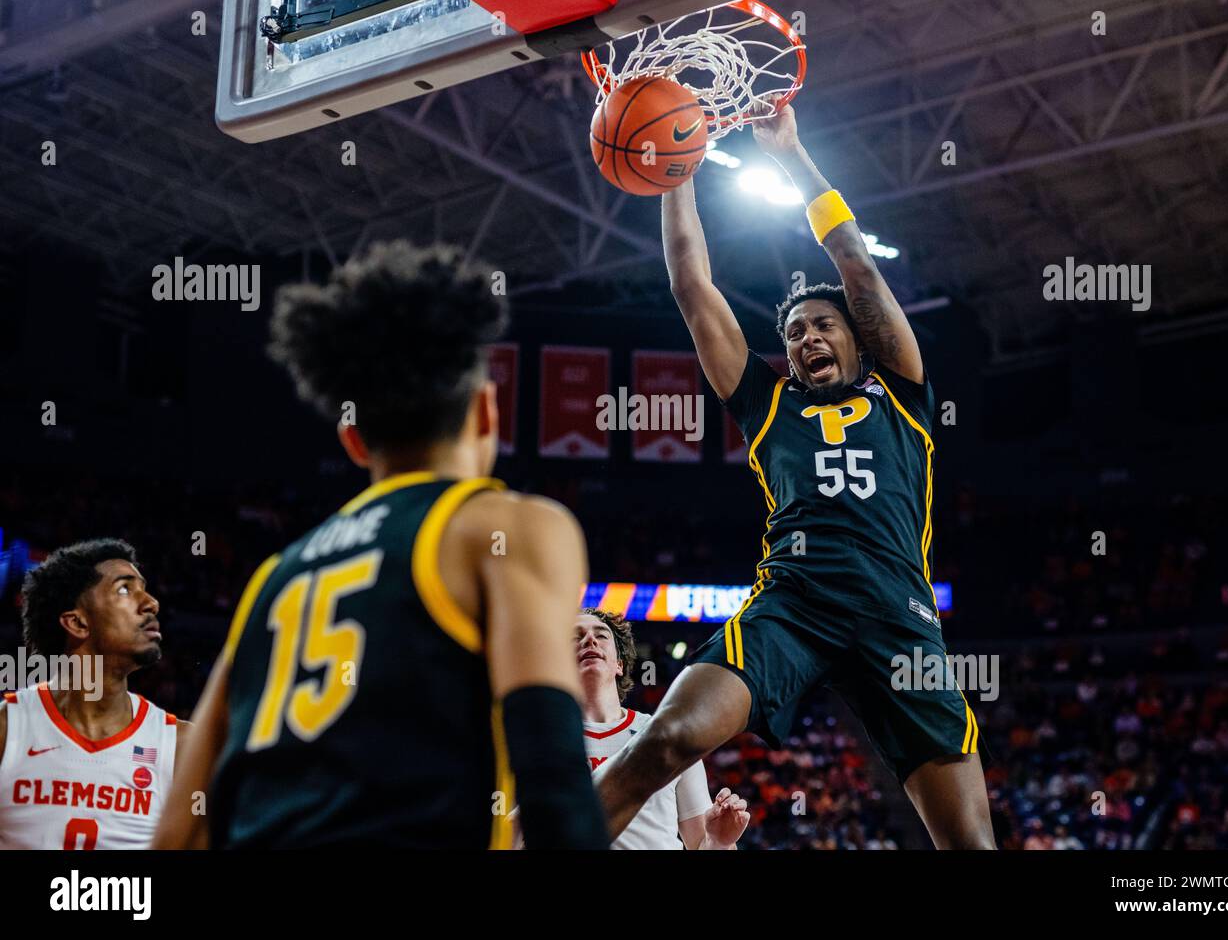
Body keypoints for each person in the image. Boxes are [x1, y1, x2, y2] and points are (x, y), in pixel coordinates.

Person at [594, 104, 995, 849]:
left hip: (898, 616)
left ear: (858, 337)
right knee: (668, 739)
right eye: (793, 332)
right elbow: (691, 284)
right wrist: (675, 170)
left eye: (821, 324)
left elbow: (857, 264)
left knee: (971, 843)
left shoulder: (901, 391)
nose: (805, 336)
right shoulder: (767, 403)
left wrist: (793, 156)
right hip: (794, 601)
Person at [152, 240, 607, 849]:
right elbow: (552, 767)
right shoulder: (507, 527)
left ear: (352, 438)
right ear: (485, 411)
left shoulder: (274, 577)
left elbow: (178, 832)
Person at [0, 539, 185, 848]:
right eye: (125, 590)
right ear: (77, 622)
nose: (152, 602)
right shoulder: (8, 731)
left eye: (144, 588)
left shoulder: (181, 747)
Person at [576, 609, 748, 849]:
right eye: (576, 637)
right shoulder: (540, 745)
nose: (590, 640)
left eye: (601, 635)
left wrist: (720, 841)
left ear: (619, 664)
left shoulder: (670, 732)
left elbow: (701, 842)